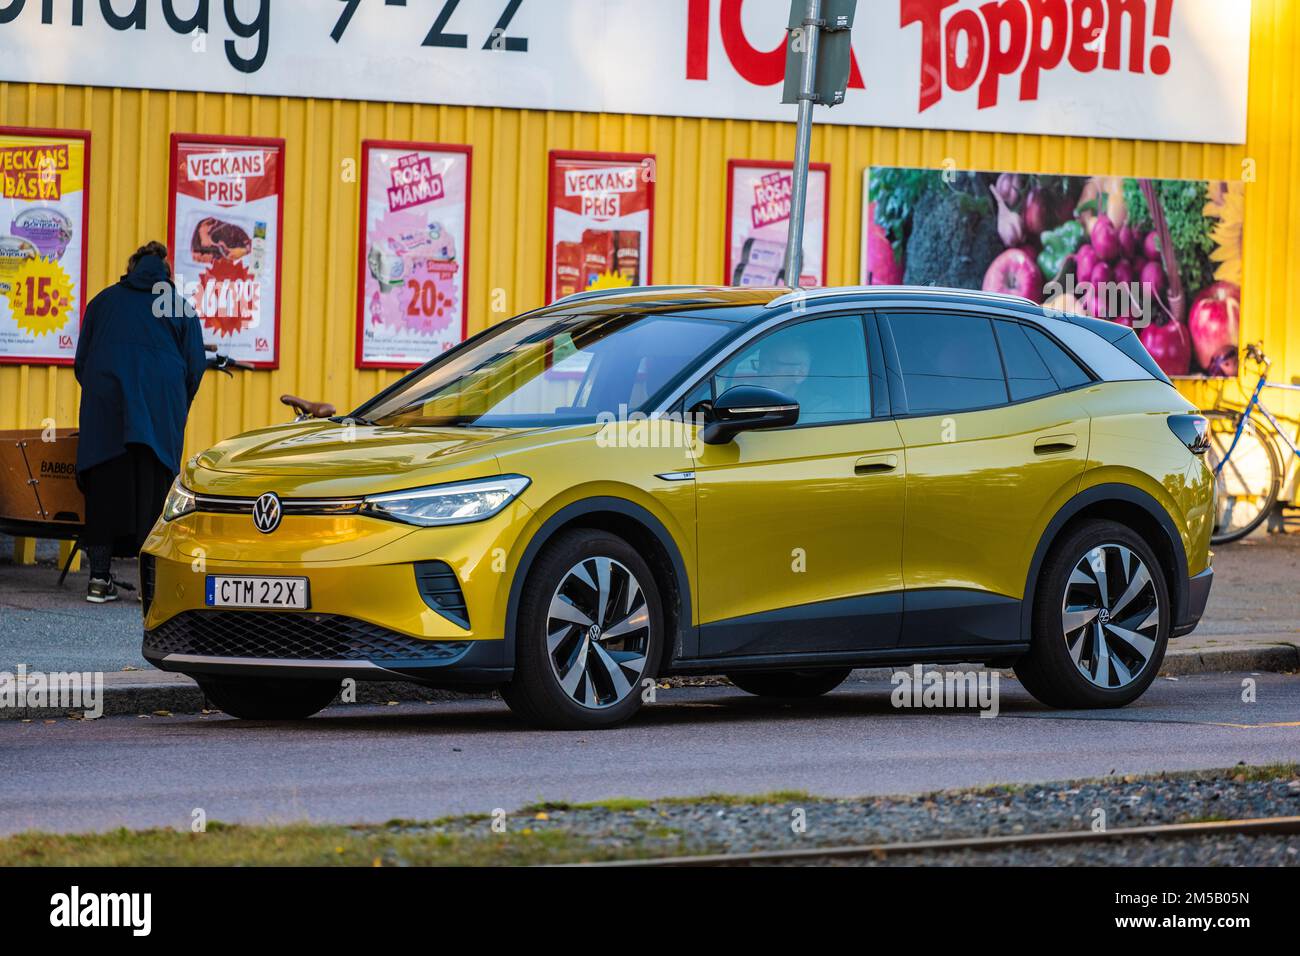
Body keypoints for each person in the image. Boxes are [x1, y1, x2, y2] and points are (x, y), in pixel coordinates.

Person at [74, 241, 207, 603]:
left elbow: (82, 363)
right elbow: (195, 365)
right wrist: (175, 405)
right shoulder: (179, 307)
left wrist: (107, 399)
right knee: (155, 497)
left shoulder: (102, 303)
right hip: (158, 413)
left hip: (107, 413)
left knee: (103, 492)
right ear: (165, 273)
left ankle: (99, 580)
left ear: (131, 268)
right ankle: (150, 588)